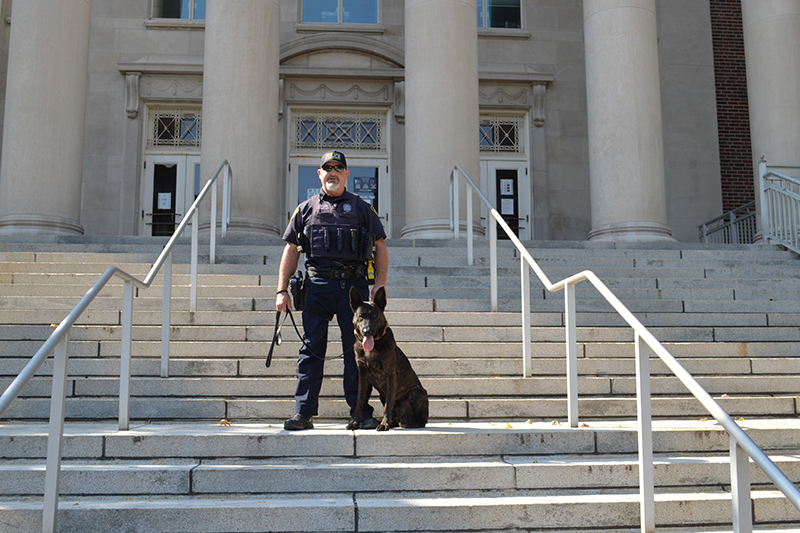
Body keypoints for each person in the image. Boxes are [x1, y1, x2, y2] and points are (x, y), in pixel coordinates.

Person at [276, 150, 388, 430]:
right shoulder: (306, 209)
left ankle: (360, 413)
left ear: (347, 174)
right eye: (327, 168)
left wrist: (380, 284)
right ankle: (304, 413)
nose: (333, 172)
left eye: (338, 167)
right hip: (317, 287)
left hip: (353, 290)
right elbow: (291, 249)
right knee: (311, 350)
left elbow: (380, 246)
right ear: (320, 174)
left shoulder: (363, 208)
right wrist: (281, 290)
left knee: (357, 353)